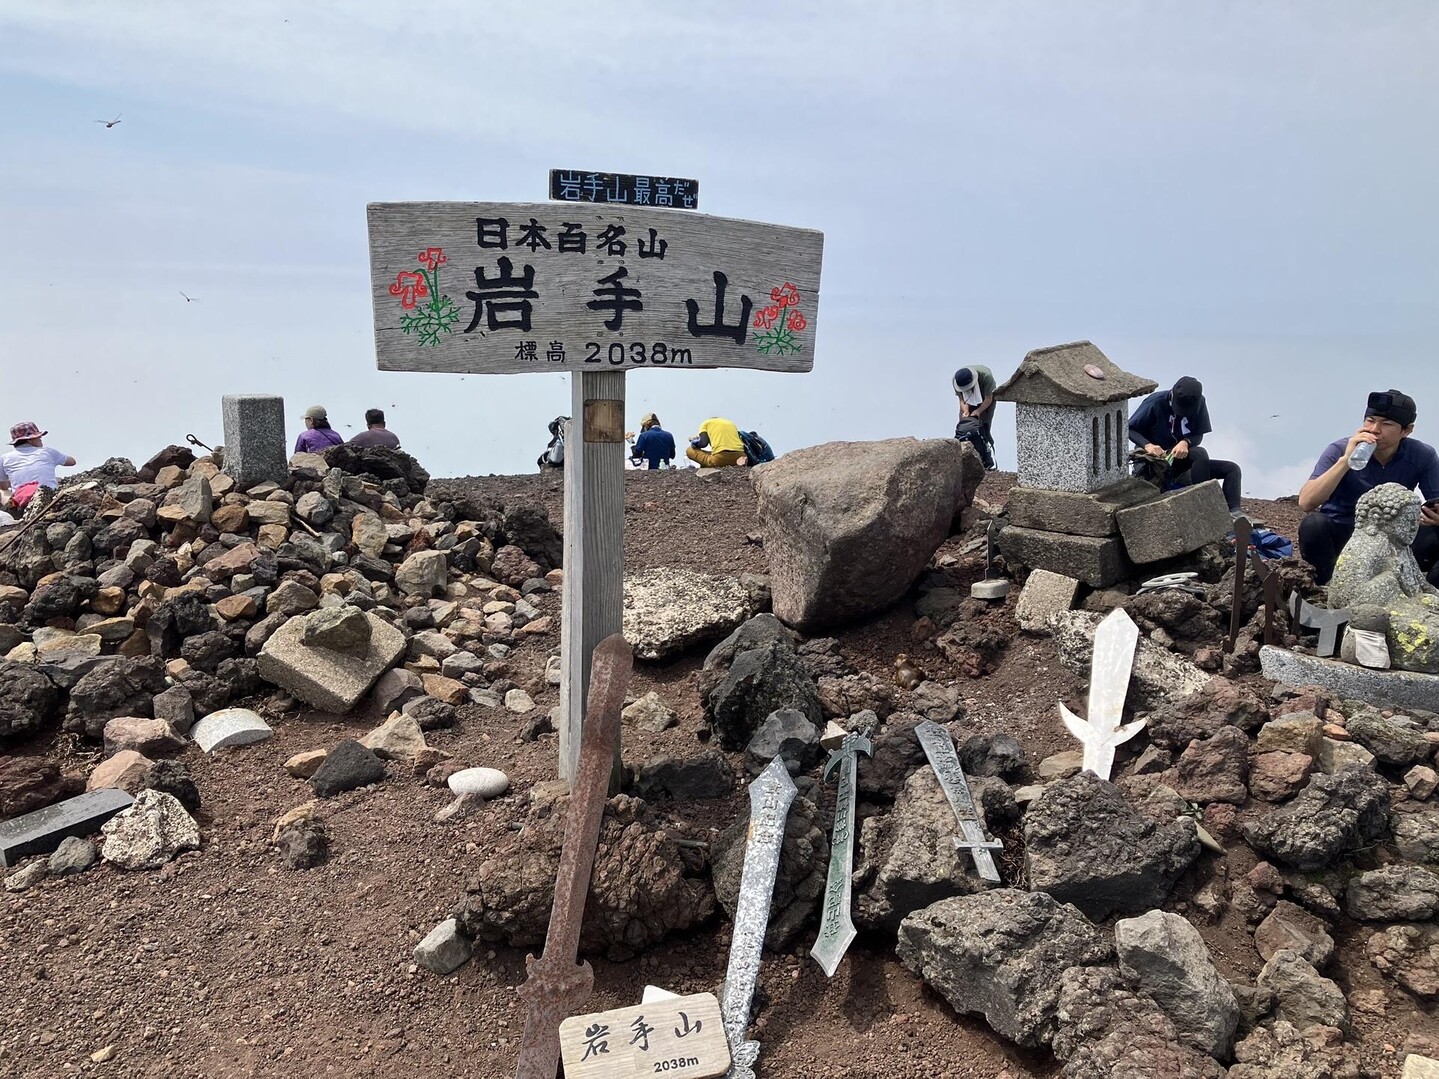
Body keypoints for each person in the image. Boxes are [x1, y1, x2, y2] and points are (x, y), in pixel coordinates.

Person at [1297, 389, 1439, 586]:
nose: (1374, 429)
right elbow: (1306, 502)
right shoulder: (1339, 449)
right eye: (1370, 420)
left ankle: (1429, 595)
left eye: (1387, 424)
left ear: (1406, 430)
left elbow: (1435, 501)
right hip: (1343, 536)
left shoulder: (1422, 455)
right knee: (1313, 524)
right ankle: (1327, 589)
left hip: (1391, 542)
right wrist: (1346, 460)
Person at [1128, 376, 1243, 512]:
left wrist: (1185, 442)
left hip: (1178, 462)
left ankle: (1235, 513)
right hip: (1155, 463)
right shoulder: (1156, 402)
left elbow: (1198, 434)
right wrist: (1148, 445)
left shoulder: (1199, 402)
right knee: (1200, 453)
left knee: (1232, 469)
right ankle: (1205, 508)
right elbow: (1129, 428)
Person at [0, 421, 76, 515]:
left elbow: (2, 486)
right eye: (38, 437)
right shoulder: (48, 452)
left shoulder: (4, 458)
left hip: (21, 503)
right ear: (29, 440)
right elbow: (72, 462)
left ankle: (11, 512)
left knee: (2, 492)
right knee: (56, 480)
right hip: (49, 499)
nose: (41, 439)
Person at [953, 367, 997, 470]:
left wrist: (978, 411)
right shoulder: (956, 381)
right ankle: (964, 460)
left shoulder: (986, 377)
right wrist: (966, 411)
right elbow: (962, 399)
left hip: (985, 400)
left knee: (983, 428)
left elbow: (988, 399)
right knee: (965, 427)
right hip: (967, 402)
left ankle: (985, 460)